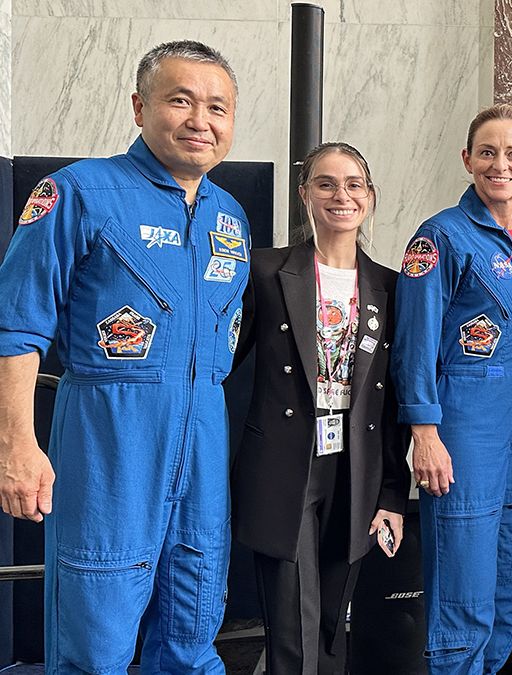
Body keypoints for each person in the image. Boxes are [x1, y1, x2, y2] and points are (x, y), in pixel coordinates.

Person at [0, 41, 244, 672]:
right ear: (139, 107)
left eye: (217, 106)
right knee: (96, 636)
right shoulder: (79, 192)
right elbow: (14, 325)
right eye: (180, 100)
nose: (200, 120)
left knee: (193, 628)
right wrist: (17, 445)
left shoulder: (231, 217)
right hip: (110, 441)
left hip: (204, 444)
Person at [231, 142, 409, 674]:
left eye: (354, 184)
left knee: (332, 619)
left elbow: (397, 399)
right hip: (285, 467)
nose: (342, 195)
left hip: (356, 469)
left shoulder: (391, 287)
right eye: (327, 183)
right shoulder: (264, 271)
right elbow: (218, 360)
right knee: (293, 622)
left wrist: (393, 495)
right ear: (305, 193)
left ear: (370, 198)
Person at [391, 103, 512, 674]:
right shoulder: (440, 237)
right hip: (462, 429)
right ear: (467, 159)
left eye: (511, 153)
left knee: (508, 588)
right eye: (487, 152)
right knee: (463, 586)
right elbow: (414, 343)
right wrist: (424, 434)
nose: (499, 164)